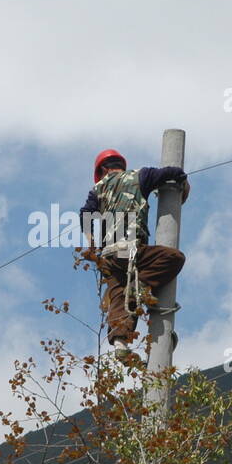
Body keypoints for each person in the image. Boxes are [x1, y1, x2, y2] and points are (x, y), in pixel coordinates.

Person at [79, 149, 189, 352]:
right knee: (173, 258)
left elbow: (85, 214)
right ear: (121, 164)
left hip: (108, 256)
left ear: (102, 169)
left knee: (118, 293)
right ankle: (139, 288)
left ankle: (120, 342)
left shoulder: (98, 189)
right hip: (130, 248)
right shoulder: (140, 175)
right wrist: (184, 186)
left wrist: (91, 242)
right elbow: (173, 172)